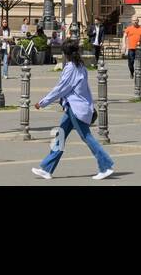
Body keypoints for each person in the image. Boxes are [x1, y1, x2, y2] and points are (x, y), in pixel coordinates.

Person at [32, 39, 115, 181]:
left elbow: (60, 88)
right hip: (74, 106)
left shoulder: (71, 68)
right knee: (61, 136)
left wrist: (43, 102)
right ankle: (47, 169)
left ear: (65, 54)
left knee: (86, 137)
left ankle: (105, 166)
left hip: (75, 108)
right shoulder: (81, 66)